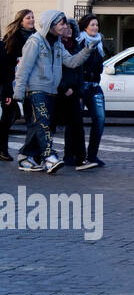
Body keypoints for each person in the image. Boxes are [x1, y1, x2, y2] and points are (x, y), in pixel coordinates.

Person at [12, 11, 97, 174]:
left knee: (40, 125)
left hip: (51, 91)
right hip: (36, 89)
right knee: (43, 121)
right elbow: (24, 68)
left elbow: (71, 62)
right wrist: (19, 91)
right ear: (51, 24)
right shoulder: (35, 41)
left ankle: (25, 156)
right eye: (62, 23)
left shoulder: (58, 44)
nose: (65, 27)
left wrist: (86, 51)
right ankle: (49, 158)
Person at [0, 9, 35, 161]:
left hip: (31, 83)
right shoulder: (12, 39)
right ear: (21, 21)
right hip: (13, 83)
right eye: (28, 17)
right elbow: (6, 66)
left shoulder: (36, 37)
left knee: (29, 117)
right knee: (9, 116)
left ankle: (31, 151)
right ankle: (2, 150)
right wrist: (7, 91)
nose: (32, 20)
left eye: (33, 17)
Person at [74, 15, 107, 170]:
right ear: (85, 26)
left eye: (97, 25)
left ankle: (92, 155)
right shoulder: (79, 42)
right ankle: (72, 155)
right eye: (92, 24)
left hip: (94, 86)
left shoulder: (99, 43)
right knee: (75, 123)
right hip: (80, 87)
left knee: (99, 119)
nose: (95, 27)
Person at [55, 19, 87, 170]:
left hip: (74, 91)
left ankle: (79, 157)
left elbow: (80, 70)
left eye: (71, 27)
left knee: (76, 125)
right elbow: (53, 70)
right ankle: (40, 155)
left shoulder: (77, 46)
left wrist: (79, 92)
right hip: (59, 90)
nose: (68, 29)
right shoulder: (56, 45)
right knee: (51, 124)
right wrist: (63, 87)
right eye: (65, 27)